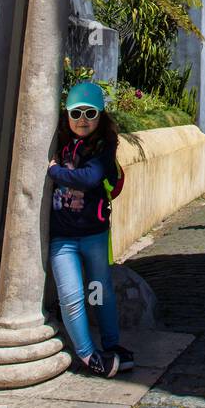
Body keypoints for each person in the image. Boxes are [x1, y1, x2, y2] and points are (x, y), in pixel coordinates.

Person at [47, 81, 132, 378]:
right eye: (76, 113)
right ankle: (87, 354)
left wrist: (54, 171)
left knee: (99, 291)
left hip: (94, 235)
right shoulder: (59, 141)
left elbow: (90, 177)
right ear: (67, 115)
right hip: (63, 238)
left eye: (90, 113)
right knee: (70, 295)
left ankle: (111, 344)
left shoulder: (104, 147)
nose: (83, 119)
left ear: (101, 116)